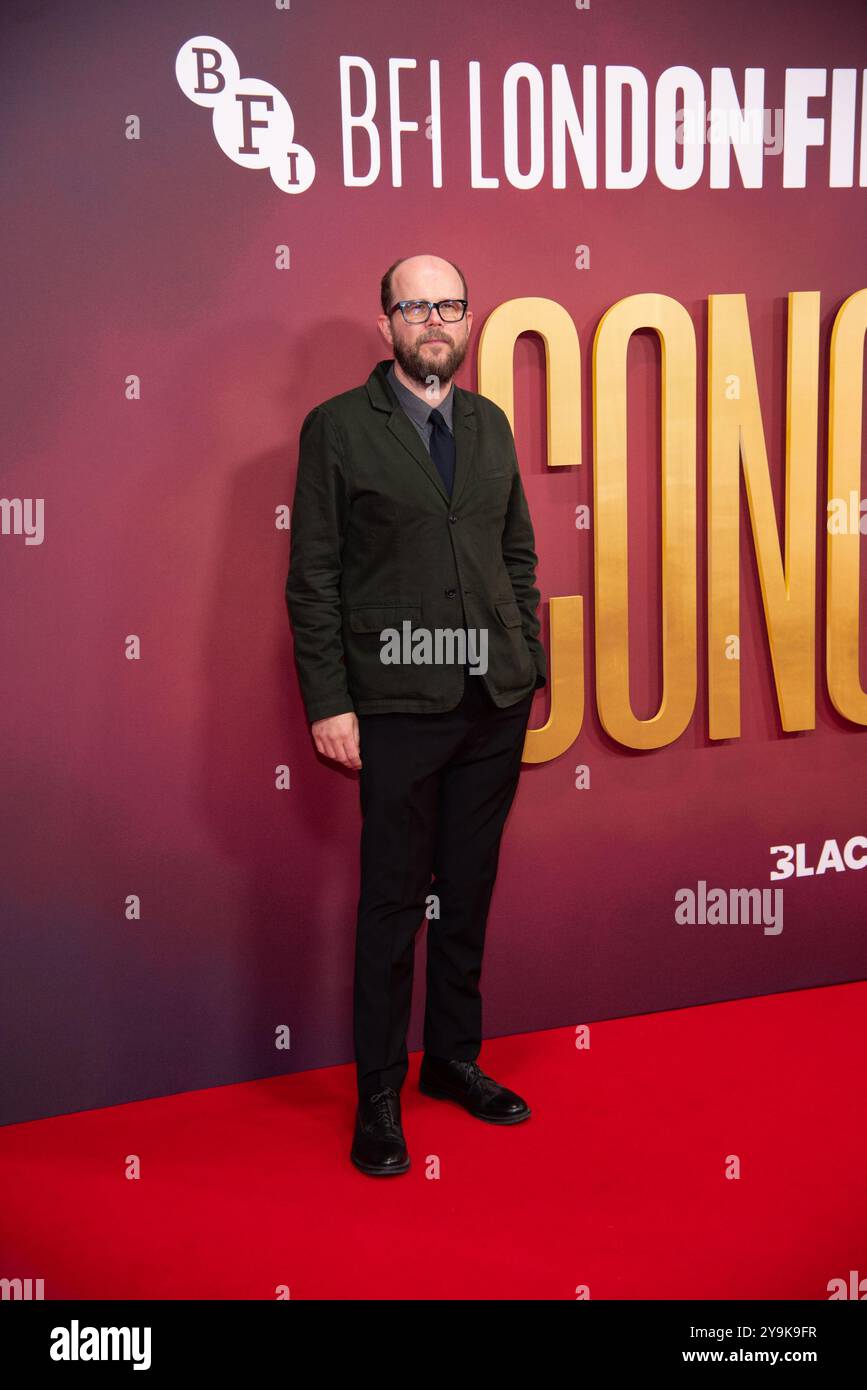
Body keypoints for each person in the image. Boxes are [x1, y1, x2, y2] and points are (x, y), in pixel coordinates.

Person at [285, 254, 546, 1176]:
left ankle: (453, 1062)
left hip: (493, 700)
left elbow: (516, 553)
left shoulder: (489, 424)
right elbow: (312, 580)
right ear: (386, 320)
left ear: (468, 318)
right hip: (394, 704)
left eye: (450, 305)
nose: (434, 320)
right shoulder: (336, 430)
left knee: (467, 891)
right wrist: (330, 702)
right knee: (393, 904)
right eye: (415, 305)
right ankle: (378, 1095)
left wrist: (528, 655)